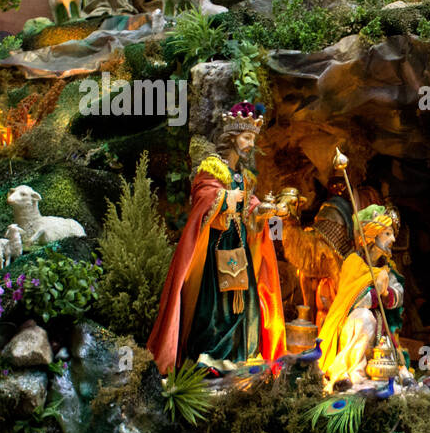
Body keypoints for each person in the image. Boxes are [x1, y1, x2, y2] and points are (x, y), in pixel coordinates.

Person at [148, 103, 286, 374]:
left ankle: (239, 356)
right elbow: (202, 195)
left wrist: (267, 211)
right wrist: (225, 198)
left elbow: (251, 207)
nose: (250, 144)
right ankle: (210, 356)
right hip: (216, 248)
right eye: (246, 138)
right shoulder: (212, 168)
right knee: (215, 307)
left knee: (245, 304)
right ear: (232, 137)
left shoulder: (243, 177)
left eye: (253, 139)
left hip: (239, 247)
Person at [317, 205, 406, 390]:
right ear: (372, 236)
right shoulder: (353, 263)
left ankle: (387, 375)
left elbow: (398, 295)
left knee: (390, 353)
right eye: (387, 234)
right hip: (353, 328)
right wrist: (375, 293)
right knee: (364, 317)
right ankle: (355, 372)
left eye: (392, 234)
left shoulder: (386, 267)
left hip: (380, 332)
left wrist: (385, 292)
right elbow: (355, 301)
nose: (393, 239)